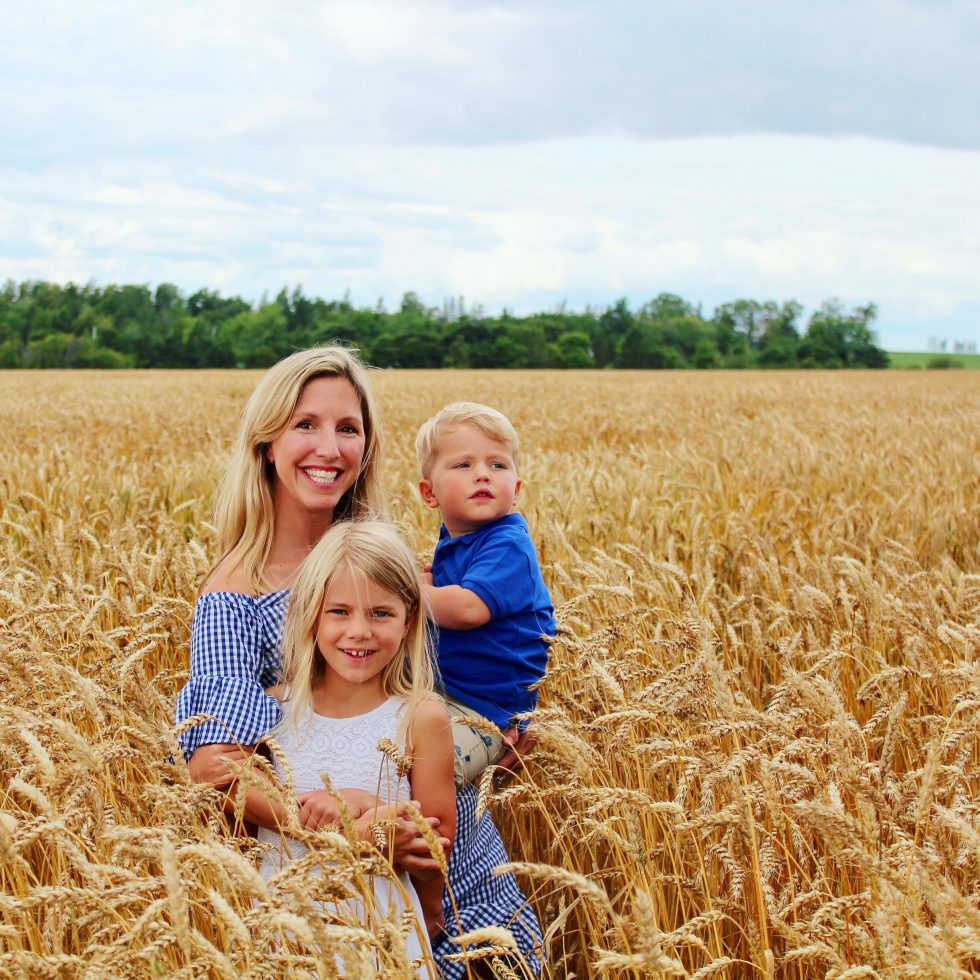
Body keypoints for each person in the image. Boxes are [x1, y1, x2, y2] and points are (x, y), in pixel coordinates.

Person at [173, 347, 542, 977]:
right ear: (266, 443)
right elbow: (214, 764)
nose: (330, 447)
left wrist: (494, 729)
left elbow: (465, 657)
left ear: (367, 448)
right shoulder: (236, 596)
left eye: (349, 429)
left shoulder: (387, 552)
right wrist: (353, 826)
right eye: (305, 425)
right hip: (334, 903)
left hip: (462, 877)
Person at [255, 520, 455, 969]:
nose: (359, 631)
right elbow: (238, 815)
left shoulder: (420, 716)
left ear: (408, 620)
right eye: (339, 612)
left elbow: (436, 840)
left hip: (382, 930)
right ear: (311, 614)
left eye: (380, 613)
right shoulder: (274, 710)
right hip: (285, 930)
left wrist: (366, 808)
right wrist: (359, 822)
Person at [415, 402, 555, 786]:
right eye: (463, 466)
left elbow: (467, 609)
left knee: (430, 769)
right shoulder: (459, 538)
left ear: (517, 488)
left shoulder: (508, 542)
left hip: (486, 711)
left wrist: (415, 592)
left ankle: (427, 838)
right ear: (430, 494)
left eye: (498, 465)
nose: (483, 475)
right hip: (443, 694)